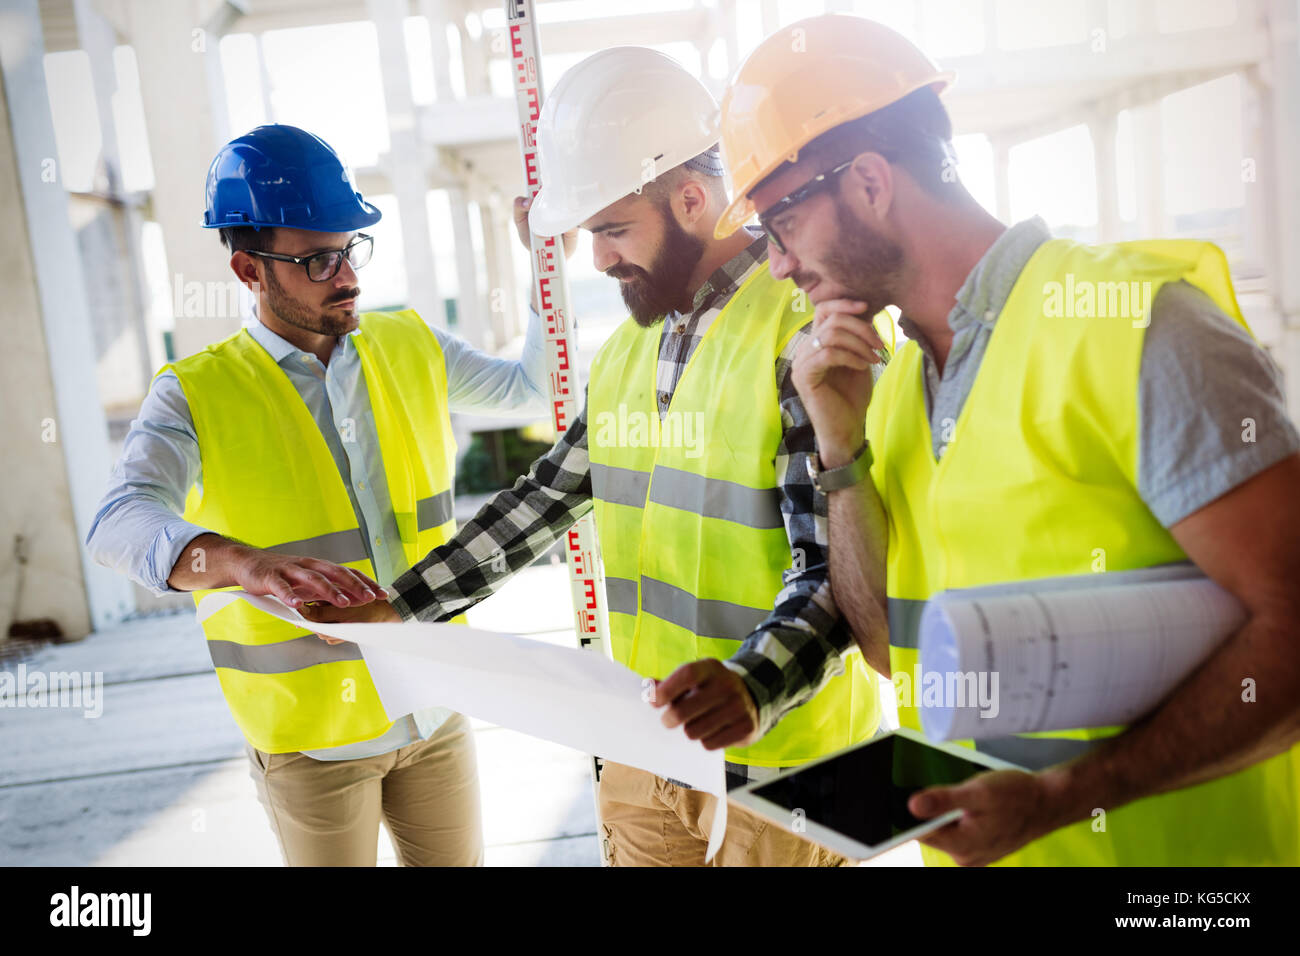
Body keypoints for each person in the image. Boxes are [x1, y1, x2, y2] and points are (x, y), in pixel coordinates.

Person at [712, 13, 1300, 865]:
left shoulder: (1135, 327)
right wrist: (840, 454)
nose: (774, 265)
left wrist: (1065, 799)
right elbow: (889, 653)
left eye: (780, 224)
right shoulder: (891, 393)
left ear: (871, 182)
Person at [303, 47, 883, 867]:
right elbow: (542, 502)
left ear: (692, 199)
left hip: (788, 774)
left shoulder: (804, 330)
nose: (599, 258)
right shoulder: (624, 354)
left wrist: (752, 686)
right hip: (649, 749)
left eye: (613, 229)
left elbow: (834, 569)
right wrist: (400, 609)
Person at [85, 123, 551, 866]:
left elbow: (537, 387)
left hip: (433, 709)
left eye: (350, 248)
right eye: (317, 260)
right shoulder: (193, 394)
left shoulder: (410, 345)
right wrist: (241, 564)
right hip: (310, 744)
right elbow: (117, 523)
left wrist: (543, 265)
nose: (348, 275)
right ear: (248, 270)